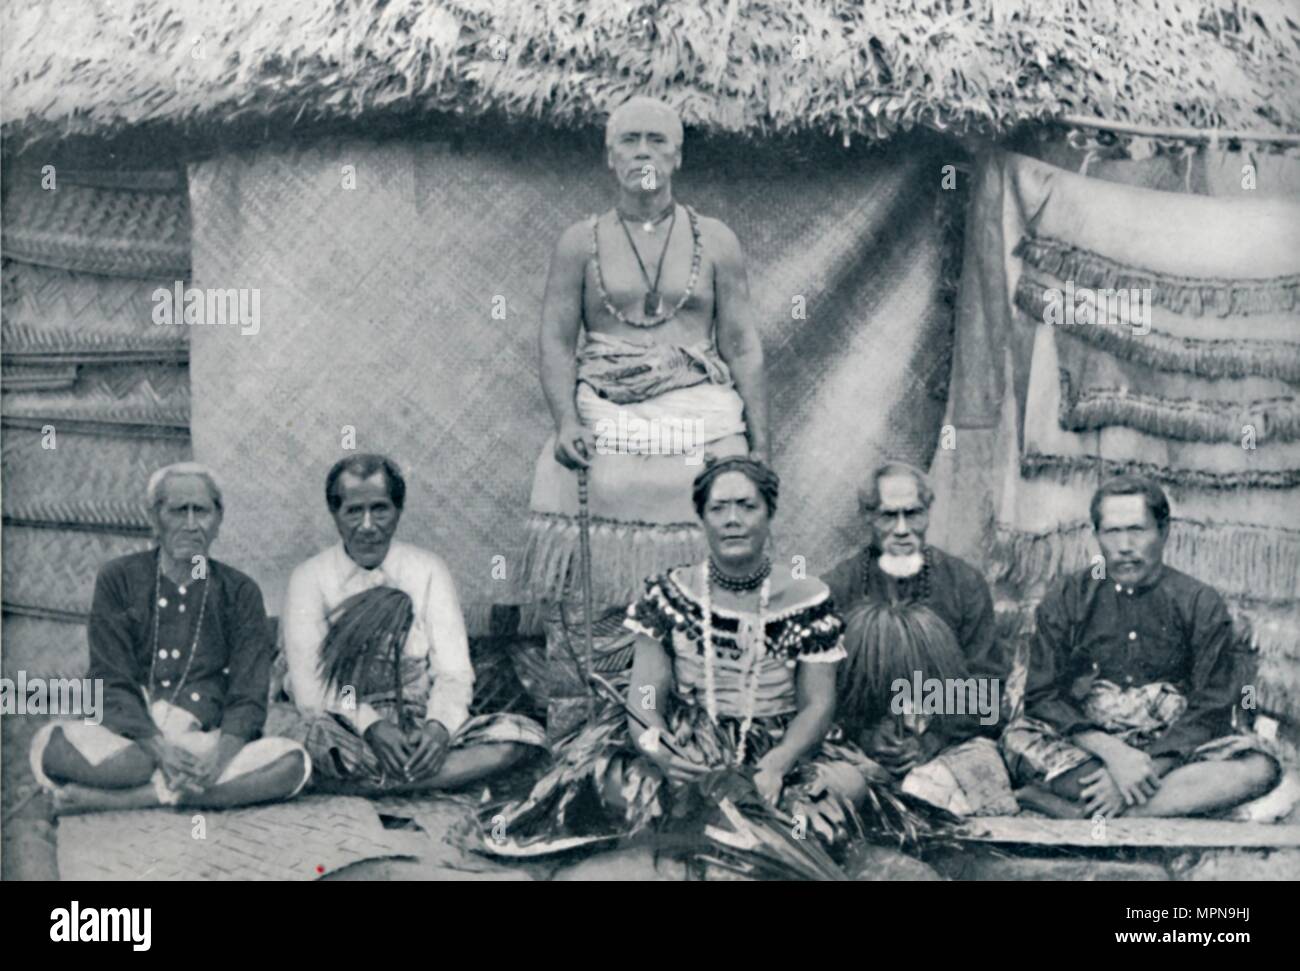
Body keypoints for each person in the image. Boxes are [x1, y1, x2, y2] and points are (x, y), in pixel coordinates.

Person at [517, 97, 769, 727]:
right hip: (605, 410)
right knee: (562, 481)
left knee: (730, 496)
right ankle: (588, 716)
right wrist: (566, 423)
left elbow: (741, 343)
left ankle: (706, 718)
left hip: (702, 412)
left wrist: (759, 443)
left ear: (678, 155)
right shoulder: (581, 242)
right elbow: (554, 339)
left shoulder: (717, 241)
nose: (643, 154)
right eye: (629, 141)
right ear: (609, 156)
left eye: (657, 141)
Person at [485, 456, 883, 852]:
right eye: (718, 508)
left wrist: (779, 763)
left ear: (769, 513)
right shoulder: (670, 594)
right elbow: (644, 697)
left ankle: (727, 831)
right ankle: (727, 831)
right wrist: (659, 750)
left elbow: (818, 704)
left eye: (747, 506)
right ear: (702, 518)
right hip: (689, 739)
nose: (732, 519)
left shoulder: (807, 596)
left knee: (846, 785)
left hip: (778, 743)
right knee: (610, 782)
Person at [29, 463, 310, 815]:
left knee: (293, 764)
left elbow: (248, 696)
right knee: (55, 748)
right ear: (155, 518)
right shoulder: (119, 579)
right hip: (129, 738)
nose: (191, 524)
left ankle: (133, 798)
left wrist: (218, 761)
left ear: (218, 520)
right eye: (179, 511)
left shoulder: (240, 592)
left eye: (202, 511)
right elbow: (110, 679)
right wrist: (159, 750)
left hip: (204, 741)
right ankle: (173, 787)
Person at [1002, 475, 1280, 818]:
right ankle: (1152, 804)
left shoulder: (1199, 602)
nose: (1125, 546)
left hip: (1172, 748)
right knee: (1016, 742)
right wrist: (1114, 755)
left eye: (1137, 530)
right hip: (1087, 746)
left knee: (1259, 768)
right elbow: (1042, 695)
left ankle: (1091, 810)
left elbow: (1212, 704)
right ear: (1097, 536)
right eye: (1112, 532)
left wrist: (1147, 766)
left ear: (1164, 532)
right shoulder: (1067, 597)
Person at [278, 454, 546, 794]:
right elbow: (312, 688)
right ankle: (418, 779)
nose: (367, 525)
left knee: (521, 737)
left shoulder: (427, 570)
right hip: (346, 726)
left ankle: (372, 783)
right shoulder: (309, 578)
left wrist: (437, 730)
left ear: (398, 510)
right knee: (308, 742)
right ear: (335, 514)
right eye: (353, 511)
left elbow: (454, 672)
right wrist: (372, 726)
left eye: (380, 509)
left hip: (417, 724)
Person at [823, 461, 1011, 812]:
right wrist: (865, 733)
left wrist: (932, 738)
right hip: (859, 745)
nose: (902, 530)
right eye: (887, 516)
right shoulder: (838, 588)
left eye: (914, 514)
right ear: (867, 518)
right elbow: (820, 690)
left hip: (947, 741)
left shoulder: (964, 584)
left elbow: (987, 689)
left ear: (928, 512)